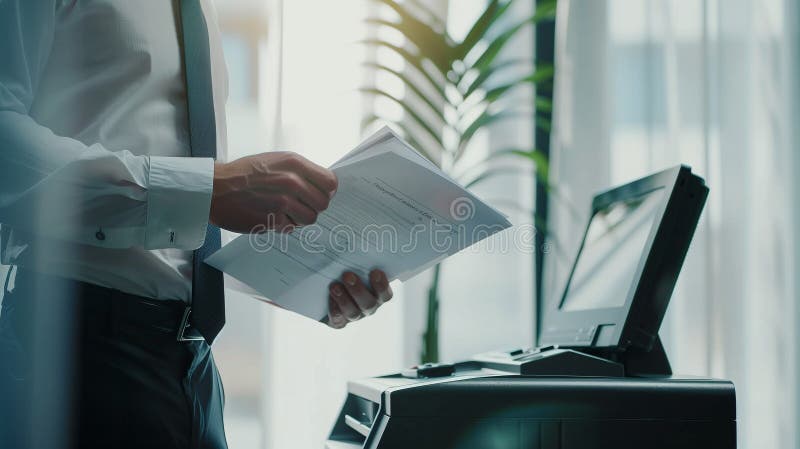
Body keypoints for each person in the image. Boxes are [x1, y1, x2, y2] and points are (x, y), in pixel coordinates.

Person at [0, 1, 393, 448]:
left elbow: (187, 215)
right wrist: (208, 189)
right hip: (70, 353)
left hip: (191, 365)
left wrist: (312, 279)